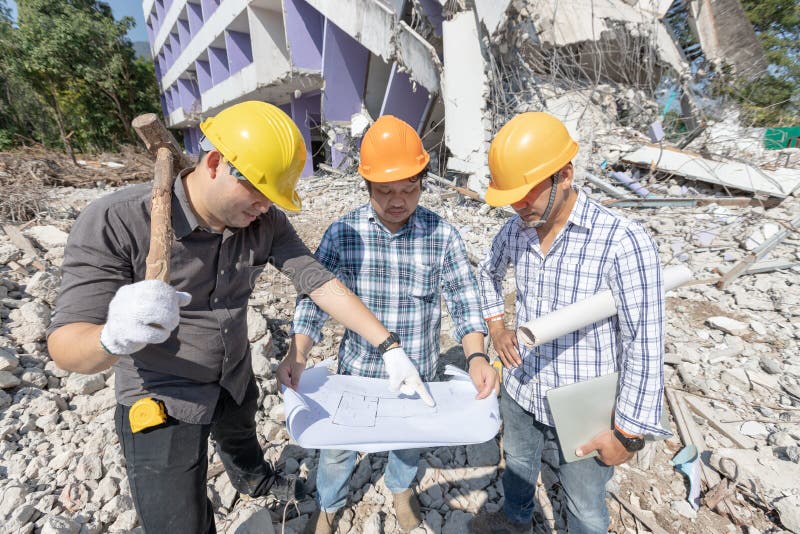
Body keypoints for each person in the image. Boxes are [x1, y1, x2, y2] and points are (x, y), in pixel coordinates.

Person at [47, 101, 431, 534]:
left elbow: (318, 282)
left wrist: (389, 346)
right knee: (180, 523)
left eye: (274, 197)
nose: (265, 207)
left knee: (241, 433)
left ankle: (254, 478)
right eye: (259, 192)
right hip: (162, 394)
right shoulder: (117, 221)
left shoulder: (264, 223)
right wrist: (113, 335)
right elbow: (65, 347)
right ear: (215, 163)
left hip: (232, 372)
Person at [277, 115, 498, 534]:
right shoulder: (345, 234)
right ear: (366, 186)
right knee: (338, 450)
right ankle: (329, 503)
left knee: (408, 444)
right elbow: (315, 299)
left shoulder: (441, 236)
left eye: (409, 190)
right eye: (386, 191)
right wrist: (299, 351)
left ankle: (400, 490)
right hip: (359, 375)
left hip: (419, 372)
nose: (399, 201)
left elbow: (465, 300)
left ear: (422, 183)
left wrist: (476, 356)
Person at [470, 112, 667, 534]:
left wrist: (628, 434)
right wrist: (497, 327)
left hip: (585, 406)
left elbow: (644, 342)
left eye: (527, 193)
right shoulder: (516, 230)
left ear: (566, 174)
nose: (518, 204)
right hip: (523, 387)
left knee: (585, 506)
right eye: (512, 196)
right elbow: (485, 273)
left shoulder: (622, 241)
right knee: (520, 466)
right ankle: (515, 518)